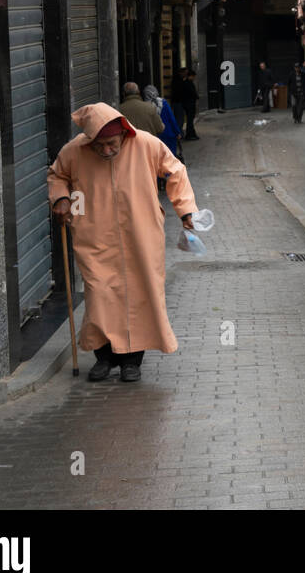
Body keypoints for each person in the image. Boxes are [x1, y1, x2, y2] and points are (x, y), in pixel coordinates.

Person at [47, 102, 199, 382]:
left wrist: (186, 210)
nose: (106, 150)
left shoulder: (145, 144)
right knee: (100, 296)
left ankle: (132, 361)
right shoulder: (74, 150)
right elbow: (57, 175)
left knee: (140, 295)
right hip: (94, 236)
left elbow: (176, 171)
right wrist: (61, 198)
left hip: (141, 234)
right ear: (90, 140)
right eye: (100, 145)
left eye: (112, 144)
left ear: (124, 135)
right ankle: (104, 357)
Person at [144, 84, 182, 162]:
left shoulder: (145, 106)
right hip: (169, 134)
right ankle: (169, 173)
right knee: (170, 158)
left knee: (158, 159)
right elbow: (171, 119)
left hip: (156, 136)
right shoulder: (163, 102)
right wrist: (177, 132)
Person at [175, 68, 199, 141]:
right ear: (191, 76)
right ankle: (190, 134)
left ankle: (191, 134)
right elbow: (192, 93)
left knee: (189, 120)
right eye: (194, 76)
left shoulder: (185, 82)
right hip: (190, 104)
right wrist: (197, 96)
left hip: (186, 104)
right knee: (190, 120)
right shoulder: (188, 83)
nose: (194, 78)